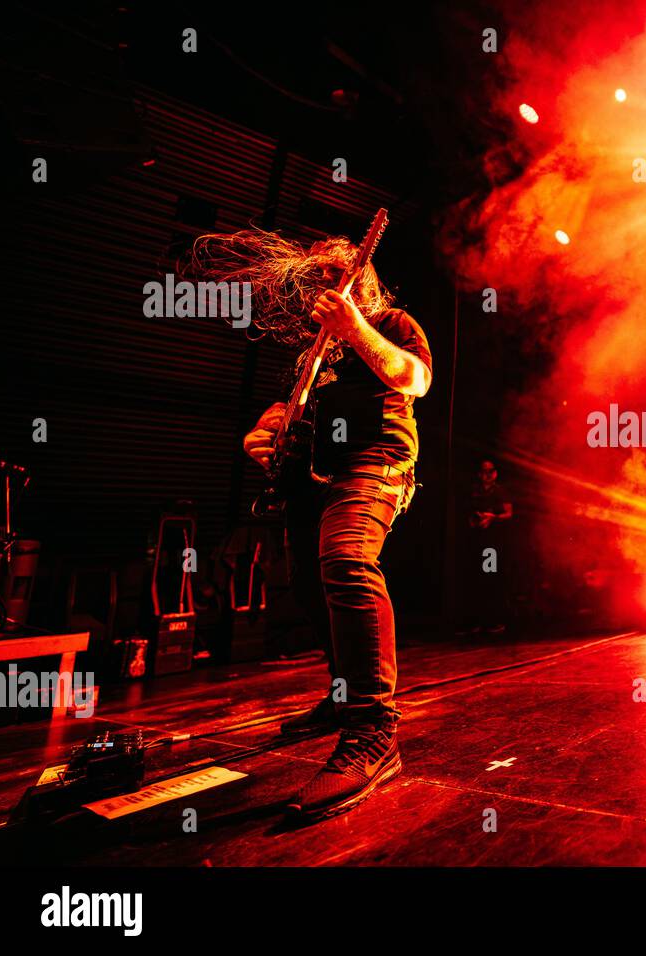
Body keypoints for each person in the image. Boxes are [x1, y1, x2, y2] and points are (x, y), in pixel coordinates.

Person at [204, 228, 433, 819]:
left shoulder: (392, 324)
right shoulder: (312, 352)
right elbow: (286, 409)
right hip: (313, 473)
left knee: (347, 560)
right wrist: (262, 432)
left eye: (338, 275)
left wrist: (356, 328)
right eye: (319, 278)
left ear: (364, 280)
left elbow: (415, 379)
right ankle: (341, 696)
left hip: (375, 460)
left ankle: (374, 731)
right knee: (308, 583)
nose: (326, 285)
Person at [458, 459, 514, 634]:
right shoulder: (474, 491)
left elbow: (509, 513)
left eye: (490, 471)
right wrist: (474, 519)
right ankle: (477, 622)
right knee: (476, 580)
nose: (487, 475)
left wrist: (492, 517)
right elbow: (467, 513)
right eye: (484, 471)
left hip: (492, 544)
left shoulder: (500, 491)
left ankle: (494, 621)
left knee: (491, 579)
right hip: (476, 541)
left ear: (495, 473)